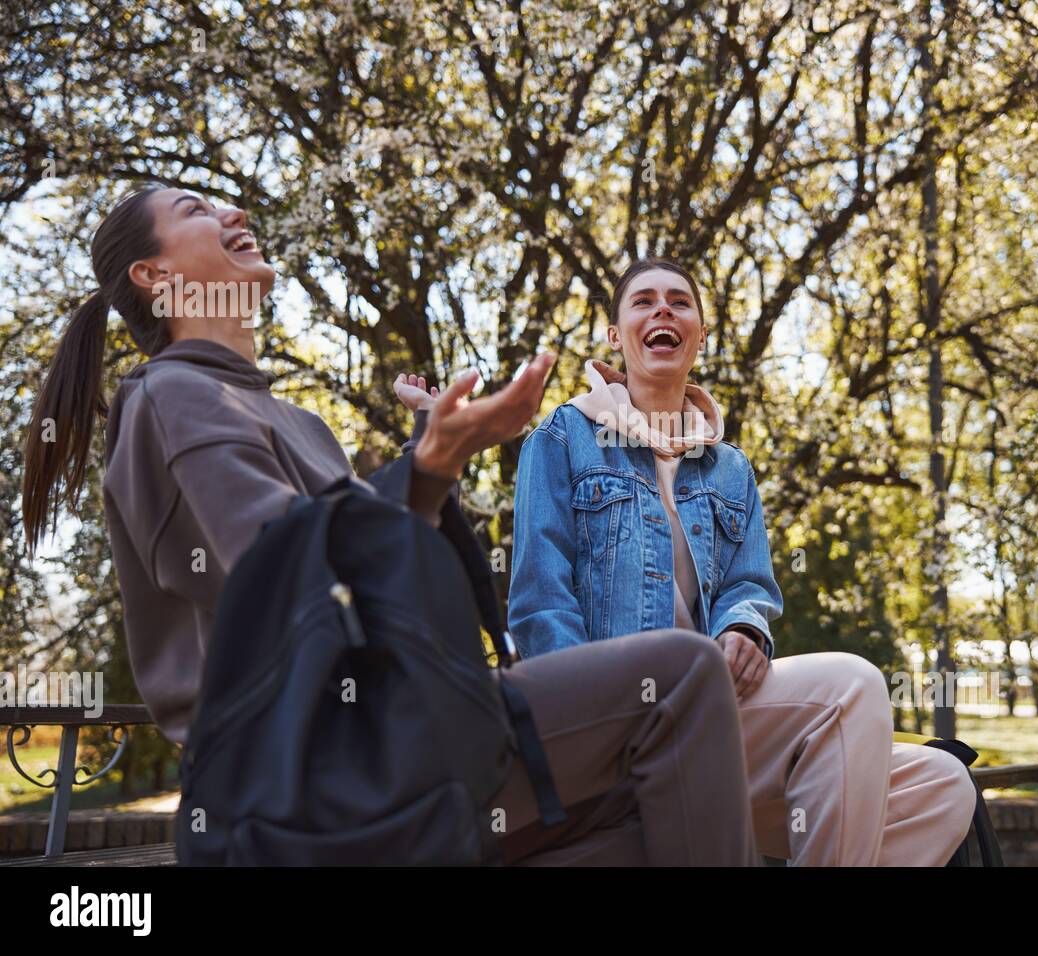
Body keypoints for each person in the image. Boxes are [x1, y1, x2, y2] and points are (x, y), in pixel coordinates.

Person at [20, 185, 760, 866]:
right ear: (154, 277)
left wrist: (431, 464)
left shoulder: (300, 424)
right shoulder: (173, 396)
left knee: (654, 798)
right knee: (679, 677)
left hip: (407, 724)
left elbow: (371, 574)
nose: (233, 215)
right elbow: (285, 571)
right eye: (196, 210)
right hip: (318, 768)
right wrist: (428, 466)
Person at [509, 257, 978, 865]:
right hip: (620, 722)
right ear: (614, 335)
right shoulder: (560, 439)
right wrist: (589, 719)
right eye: (643, 302)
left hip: (712, 721)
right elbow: (541, 601)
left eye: (679, 303)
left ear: (699, 335)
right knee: (853, 684)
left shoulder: (730, 468)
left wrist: (741, 627)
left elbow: (748, 583)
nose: (662, 311)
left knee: (941, 786)